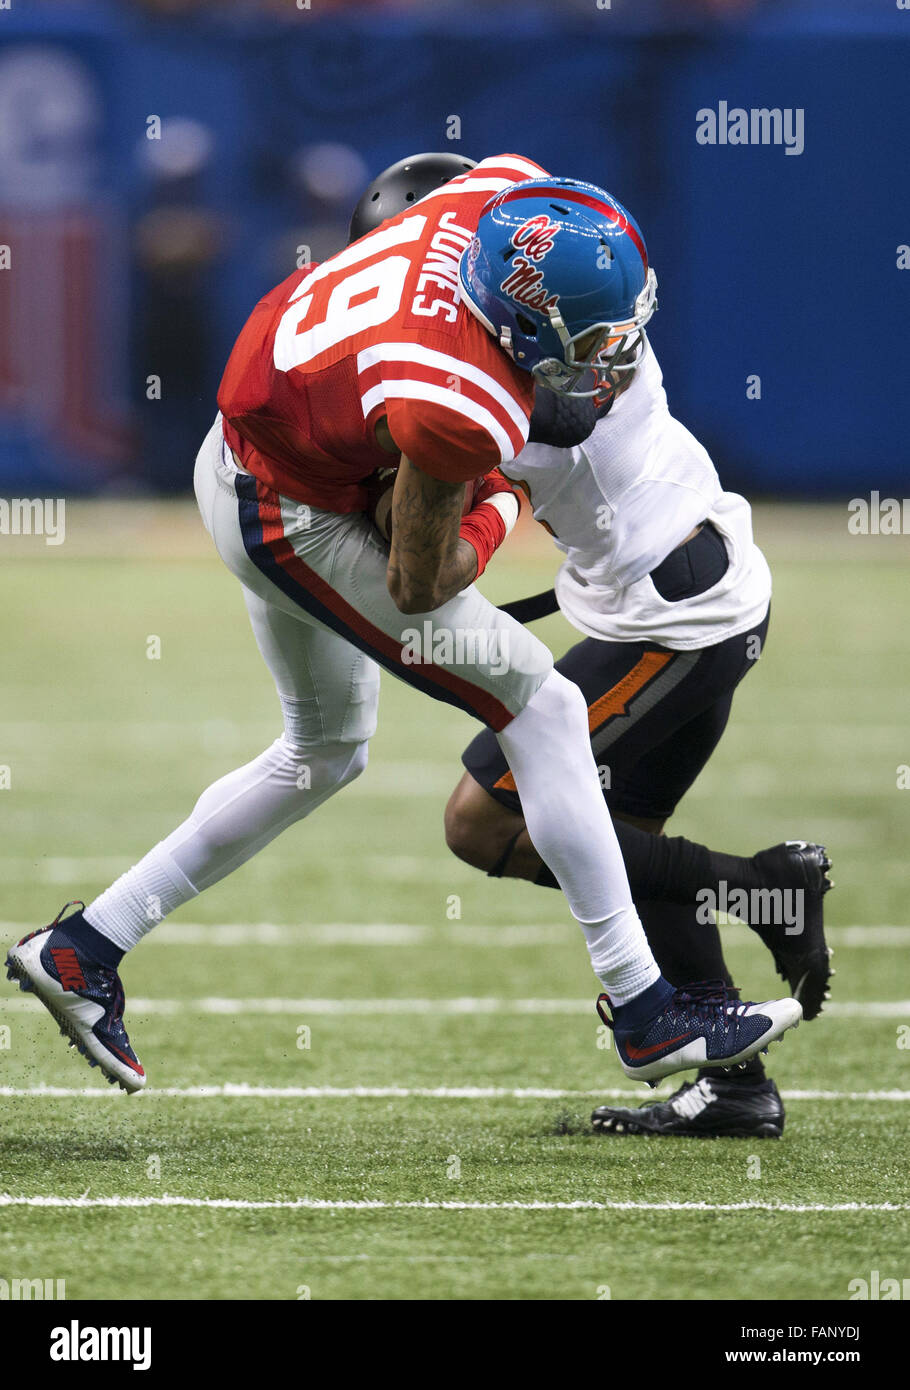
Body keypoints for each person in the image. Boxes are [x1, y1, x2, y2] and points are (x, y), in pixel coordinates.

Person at [5, 156, 801, 1096]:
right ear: (519, 323)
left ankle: (83, 949)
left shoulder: (497, 197)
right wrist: (494, 494)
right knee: (541, 708)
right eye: (591, 341)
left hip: (245, 457)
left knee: (325, 750)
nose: (613, 360)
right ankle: (645, 1011)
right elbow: (418, 583)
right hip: (288, 517)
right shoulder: (456, 392)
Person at [352, 154, 832, 1139]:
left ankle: (761, 888)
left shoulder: (495, 391)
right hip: (698, 577)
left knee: (481, 824)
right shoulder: (540, 309)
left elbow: (423, 564)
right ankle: (735, 1088)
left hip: (672, 624)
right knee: (628, 828)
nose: (617, 343)